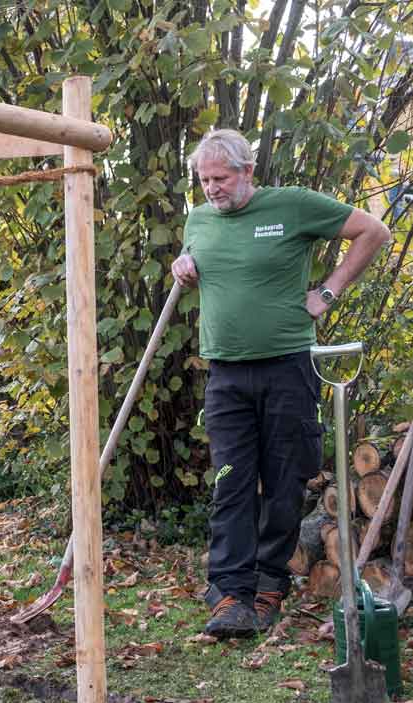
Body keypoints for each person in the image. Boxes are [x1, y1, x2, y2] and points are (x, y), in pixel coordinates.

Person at [171, 129, 391, 638]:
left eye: (220, 179)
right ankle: (230, 593)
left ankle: (269, 586)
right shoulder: (199, 218)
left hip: (288, 368)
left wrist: (329, 291)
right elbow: (197, 262)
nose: (211, 189)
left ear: (248, 171)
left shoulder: (291, 206)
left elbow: (373, 231)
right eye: (203, 180)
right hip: (225, 372)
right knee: (231, 483)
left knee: (285, 481)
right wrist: (182, 266)